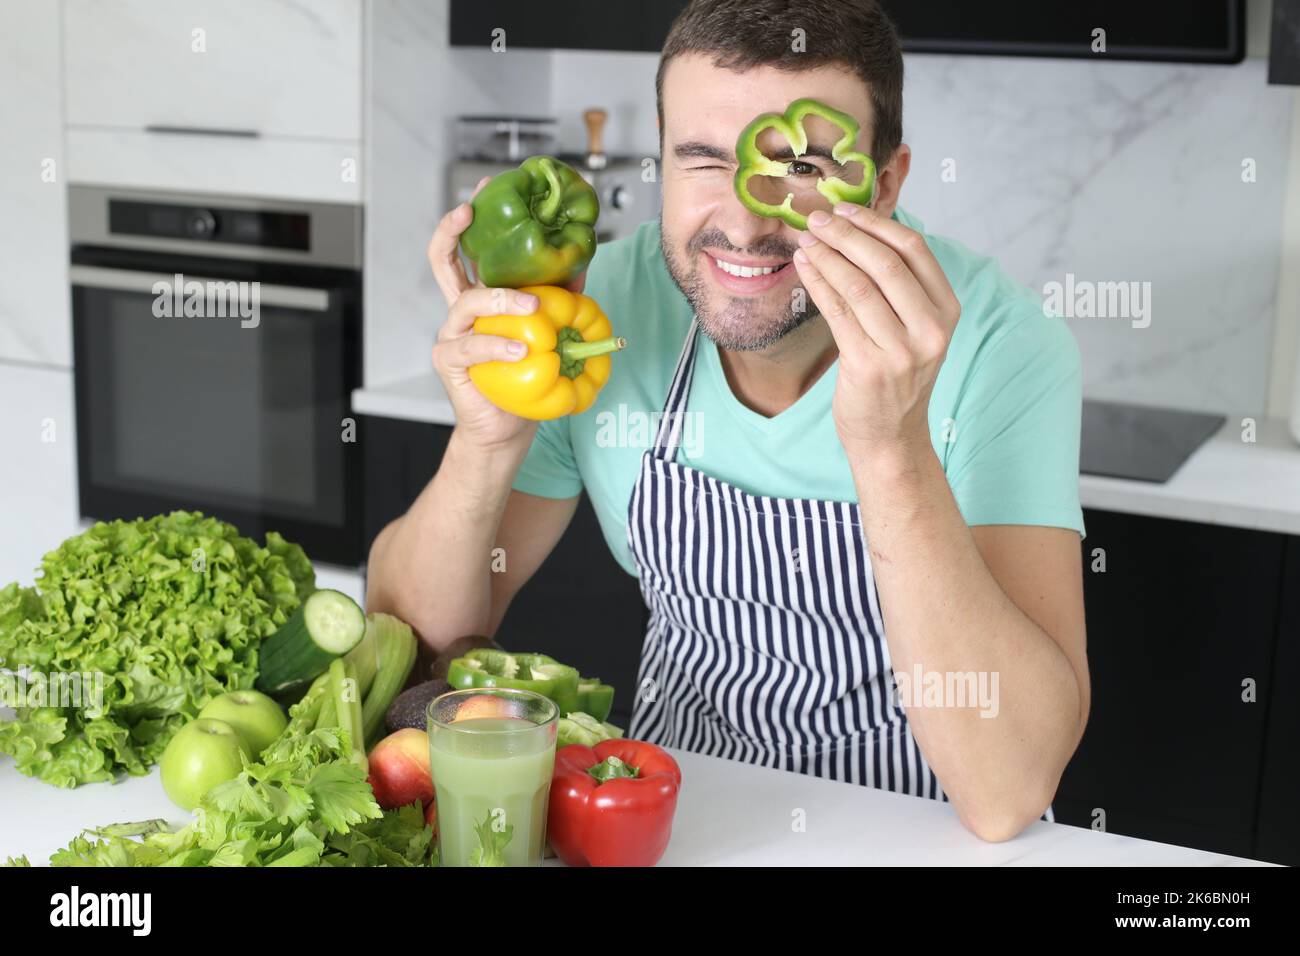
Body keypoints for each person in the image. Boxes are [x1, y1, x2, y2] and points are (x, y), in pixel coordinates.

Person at [367, 0, 1089, 842]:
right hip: (670, 819)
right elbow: (406, 652)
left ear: (885, 186)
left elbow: (1004, 791)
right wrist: (485, 445)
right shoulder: (598, 311)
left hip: (929, 836)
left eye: (803, 169)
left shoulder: (1000, 344)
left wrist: (891, 449)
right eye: (705, 161)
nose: (746, 224)